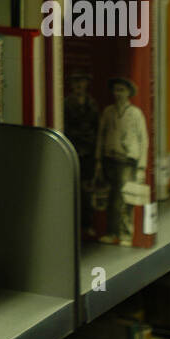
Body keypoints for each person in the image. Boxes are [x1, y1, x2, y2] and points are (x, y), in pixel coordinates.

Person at [94, 76, 149, 245]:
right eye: (116, 90)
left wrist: (141, 167)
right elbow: (101, 136)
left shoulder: (135, 113)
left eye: (122, 90)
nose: (118, 93)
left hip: (127, 162)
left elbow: (143, 140)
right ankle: (111, 233)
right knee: (111, 198)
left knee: (125, 198)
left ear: (128, 93)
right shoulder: (108, 111)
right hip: (109, 159)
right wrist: (98, 161)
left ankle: (125, 234)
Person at [64, 71, 98, 234]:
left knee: (88, 191)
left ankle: (87, 225)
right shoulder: (65, 104)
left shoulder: (92, 104)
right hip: (73, 150)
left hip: (89, 153)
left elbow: (97, 127)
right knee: (71, 189)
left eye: (82, 82)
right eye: (76, 82)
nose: (79, 86)